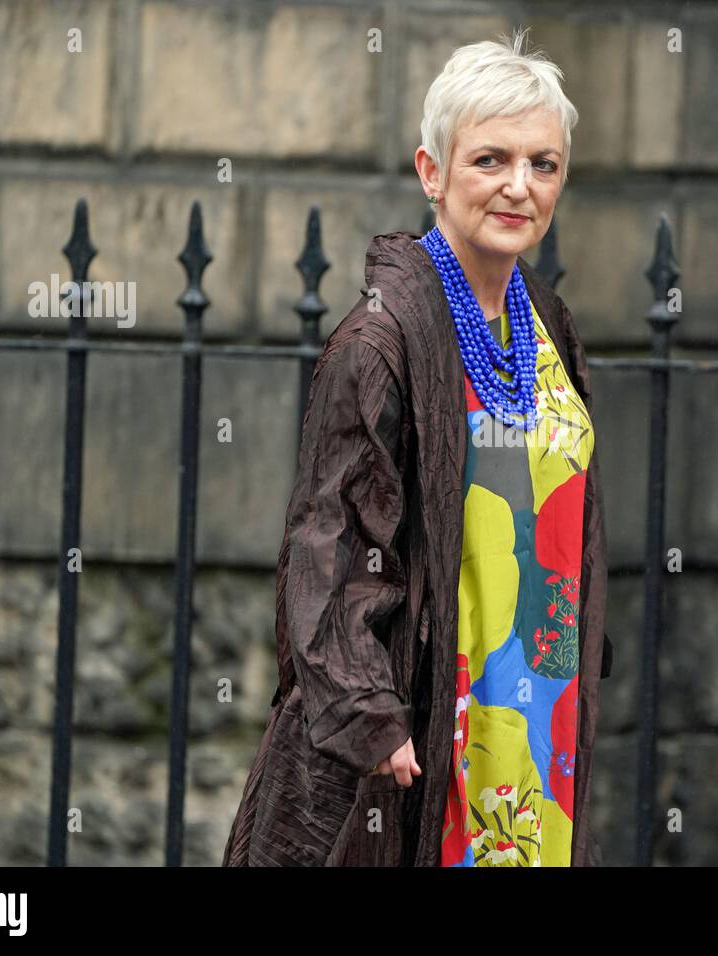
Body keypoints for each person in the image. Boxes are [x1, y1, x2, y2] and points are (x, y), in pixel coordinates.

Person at [222, 27, 611, 868]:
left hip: (535, 711)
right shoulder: (379, 342)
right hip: (425, 718)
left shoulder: (548, 326)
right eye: (491, 160)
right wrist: (368, 710)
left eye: (543, 164)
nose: (519, 186)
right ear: (431, 172)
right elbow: (330, 537)